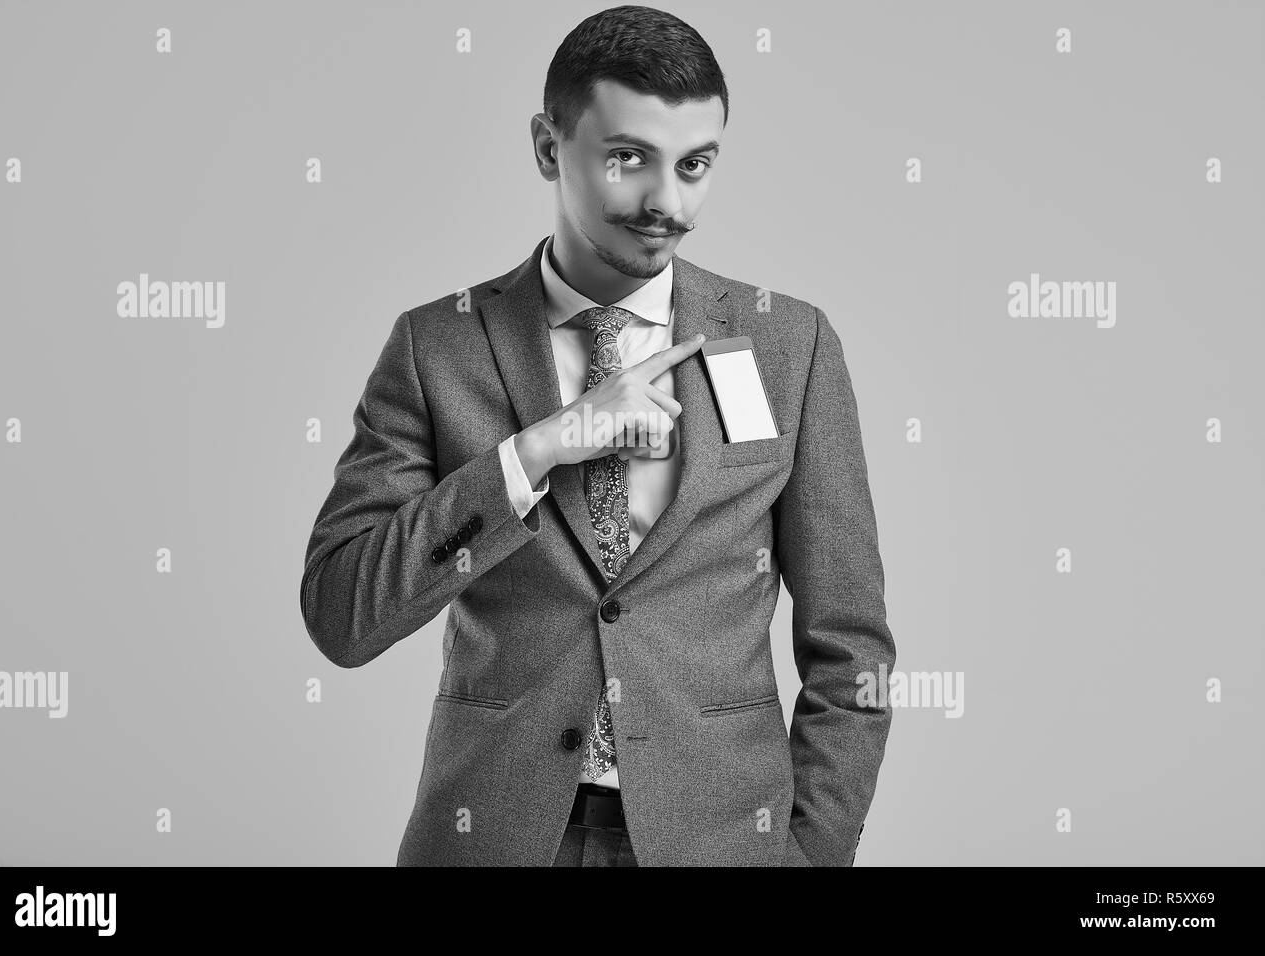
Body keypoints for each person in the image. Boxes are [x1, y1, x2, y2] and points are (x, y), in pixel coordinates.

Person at [300, 4, 895, 867]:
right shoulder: (438, 347)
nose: (666, 202)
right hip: (493, 839)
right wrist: (531, 453)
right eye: (628, 160)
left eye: (695, 166)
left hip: (723, 844)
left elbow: (854, 649)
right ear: (549, 147)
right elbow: (342, 615)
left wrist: (810, 854)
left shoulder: (787, 345)